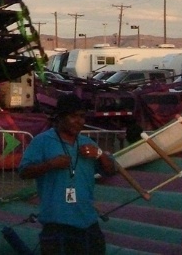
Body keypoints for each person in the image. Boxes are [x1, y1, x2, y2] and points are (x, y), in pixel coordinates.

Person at [18, 94, 117, 254]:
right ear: (60, 118)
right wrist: (50, 164)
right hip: (56, 223)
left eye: (82, 116)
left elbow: (110, 171)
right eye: (73, 116)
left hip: (87, 221)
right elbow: (23, 172)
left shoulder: (88, 143)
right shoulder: (42, 141)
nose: (79, 121)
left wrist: (100, 154)